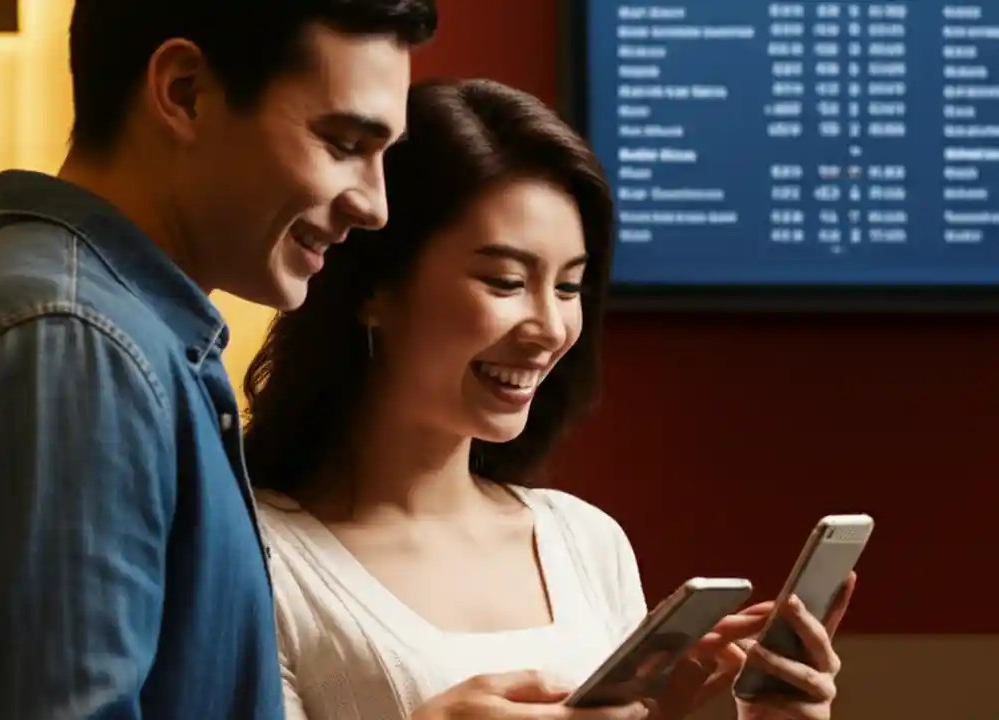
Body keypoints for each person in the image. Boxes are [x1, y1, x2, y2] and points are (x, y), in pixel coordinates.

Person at [243, 78, 857, 720]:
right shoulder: (258, 556)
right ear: (375, 287)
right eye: (505, 281)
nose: (549, 329)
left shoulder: (585, 542)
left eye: (569, 288)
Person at [0, 1, 435, 717]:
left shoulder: (103, 338)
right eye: (342, 142)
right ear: (183, 92)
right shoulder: (75, 348)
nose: (375, 205)